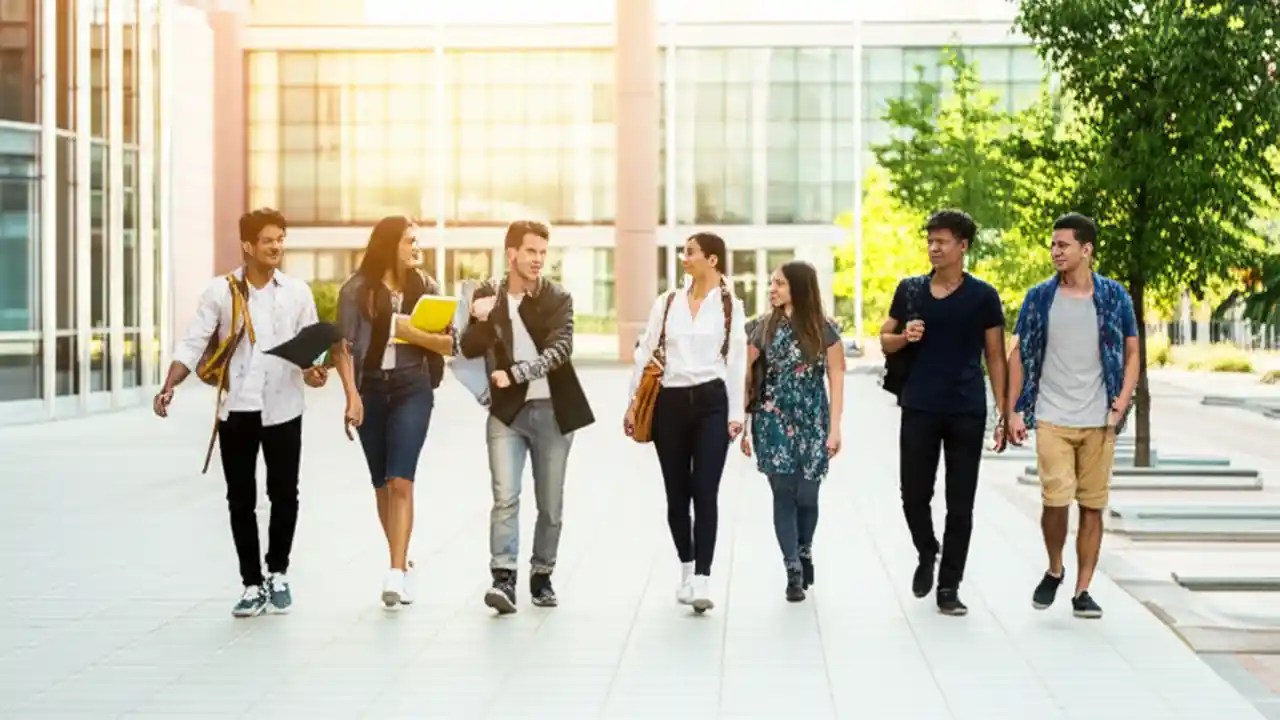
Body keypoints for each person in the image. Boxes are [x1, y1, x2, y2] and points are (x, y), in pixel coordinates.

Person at [154, 208, 336, 617]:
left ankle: (279, 573)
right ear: (248, 245)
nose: (276, 247)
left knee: (284, 493)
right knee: (241, 499)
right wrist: (169, 385)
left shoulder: (296, 292)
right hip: (236, 408)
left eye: (281, 239)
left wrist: (315, 372)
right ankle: (251, 583)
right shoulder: (221, 292)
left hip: (285, 407)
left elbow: (311, 347)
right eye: (269, 240)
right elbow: (194, 342)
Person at [1007, 213, 1139, 620]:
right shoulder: (1039, 297)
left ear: (1087, 249)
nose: (1055, 252)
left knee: (1093, 506)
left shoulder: (1114, 297)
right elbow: (1019, 354)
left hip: (1100, 418)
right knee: (1055, 499)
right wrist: (1012, 410)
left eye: (1063, 245)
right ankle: (1054, 567)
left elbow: (1133, 353)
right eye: (1052, 245)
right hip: (1051, 415)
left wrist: (1121, 401)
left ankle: (1083, 589)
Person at [459, 220, 595, 614]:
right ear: (511, 254)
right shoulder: (487, 295)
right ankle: (503, 578)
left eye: (542, 252)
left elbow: (559, 350)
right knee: (505, 498)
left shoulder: (557, 298)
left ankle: (542, 575)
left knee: (550, 504)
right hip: (507, 413)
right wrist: (481, 316)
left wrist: (515, 373)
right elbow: (466, 347)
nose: (538, 259)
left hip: (554, 411)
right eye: (531, 251)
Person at [880, 209, 1008, 617]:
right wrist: (904, 336)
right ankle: (926, 550)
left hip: (966, 409)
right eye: (930, 240)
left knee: (960, 503)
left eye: (943, 241)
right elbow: (884, 340)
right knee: (913, 495)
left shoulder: (983, 296)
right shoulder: (911, 290)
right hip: (919, 405)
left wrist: (1005, 411)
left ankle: (949, 585)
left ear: (963, 246)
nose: (934, 247)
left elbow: (995, 356)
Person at [624, 232, 748, 613]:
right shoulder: (668, 302)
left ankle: (704, 579)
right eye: (684, 252)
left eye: (690, 252)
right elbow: (646, 351)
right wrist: (632, 403)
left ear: (712, 260)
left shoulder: (729, 306)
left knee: (705, 490)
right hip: (670, 403)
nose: (684, 258)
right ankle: (686, 568)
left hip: (711, 402)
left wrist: (734, 414)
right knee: (677, 495)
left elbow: (736, 360)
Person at [335, 216, 454, 609]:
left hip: (412, 386)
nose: (416, 248)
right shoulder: (356, 290)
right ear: (390, 245)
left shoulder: (428, 289)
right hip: (370, 388)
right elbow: (344, 348)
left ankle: (396, 573)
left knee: (401, 480)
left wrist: (407, 330)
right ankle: (401, 558)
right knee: (382, 483)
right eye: (410, 241)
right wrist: (352, 396)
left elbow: (448, 343)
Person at [740, 261, 845, 602]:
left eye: (780, 284)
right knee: (783, 494)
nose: (772, 289)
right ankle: (792, 571)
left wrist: (835, 428)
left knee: (808, 496)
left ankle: (805, 548)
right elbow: (744, 373)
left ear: (798, 288)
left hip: (812, 420)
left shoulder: (823, 330)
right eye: (771, 283)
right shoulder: (760, 327)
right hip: (772, 421)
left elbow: (837, 377)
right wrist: (741, 423)